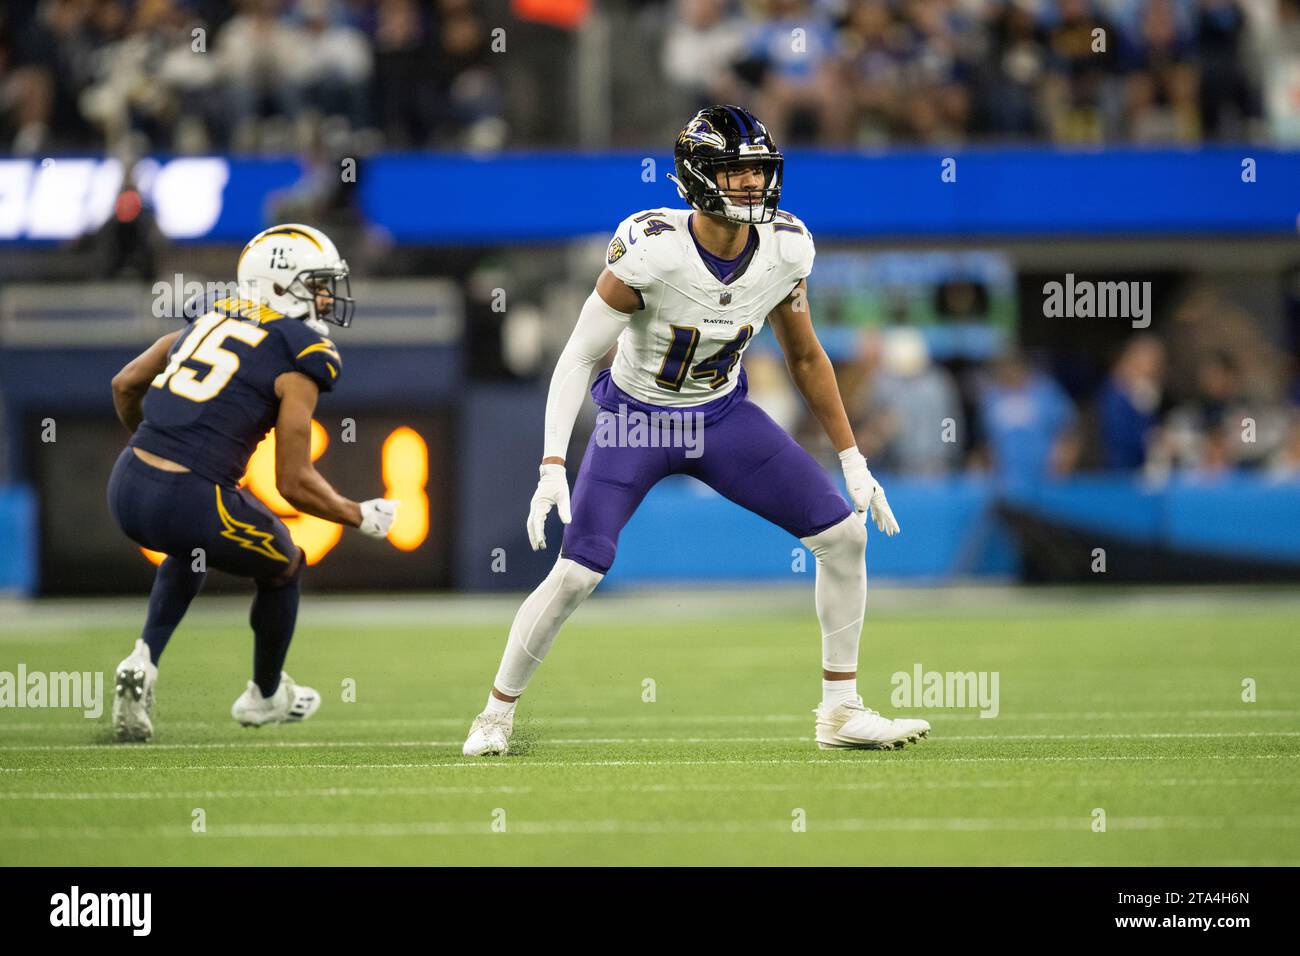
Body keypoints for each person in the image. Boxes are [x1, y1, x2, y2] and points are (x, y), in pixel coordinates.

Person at [462, 105, 927, 756]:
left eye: (758, 172)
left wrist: (852, 458)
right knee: (576, 574)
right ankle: (495, 715)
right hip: (635, 419)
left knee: (844, 539)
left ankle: (840, 710)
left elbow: (803, 356)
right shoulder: (652, 249)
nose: (751, 186)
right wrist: (549, 465)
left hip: (720, 415)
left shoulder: (787, 247)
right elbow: (576, 355)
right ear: (699, 177)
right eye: (736, 173)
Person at [106, 223, 398, 742]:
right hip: (191, 497)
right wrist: (358, 515)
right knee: (285, 563)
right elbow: (293, 481)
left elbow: (126, 382)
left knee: (187, 549)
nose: (328, 296)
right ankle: (264, 696)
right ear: (280, 285)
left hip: (127, 480)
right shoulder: (301, 353)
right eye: (318, 283)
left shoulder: (209, 316)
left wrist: (155, 445)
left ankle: (143, 662)